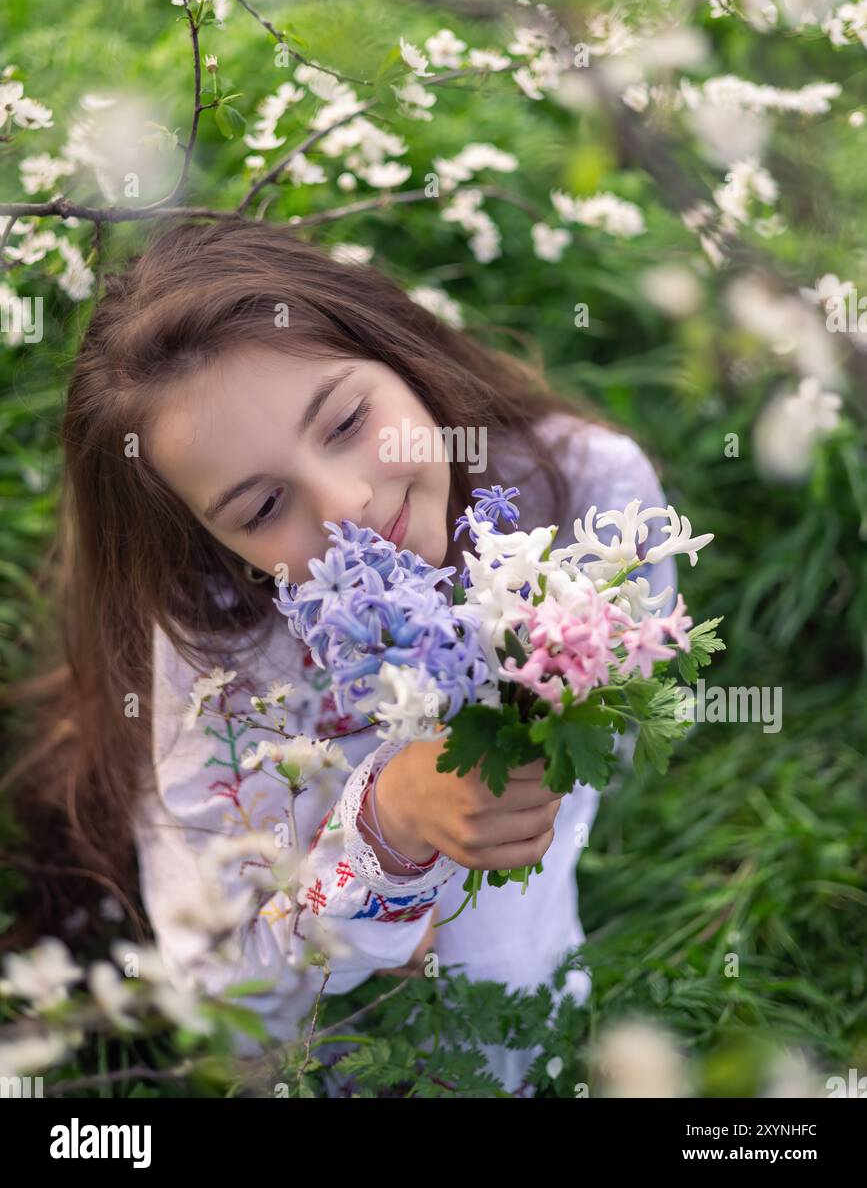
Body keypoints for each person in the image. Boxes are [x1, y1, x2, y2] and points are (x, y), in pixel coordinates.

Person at [1, 218, 675, 1096]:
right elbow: (222, 999)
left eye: (349, 420)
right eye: (263, 505)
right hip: (315, 958)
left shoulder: (587, 494)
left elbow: (613, 737)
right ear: (211, 544)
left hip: (497, 934)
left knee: (504, 982)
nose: (350, 505)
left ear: (394, 350)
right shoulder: (216, 644)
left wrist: (505, 767)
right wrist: (384, 841)